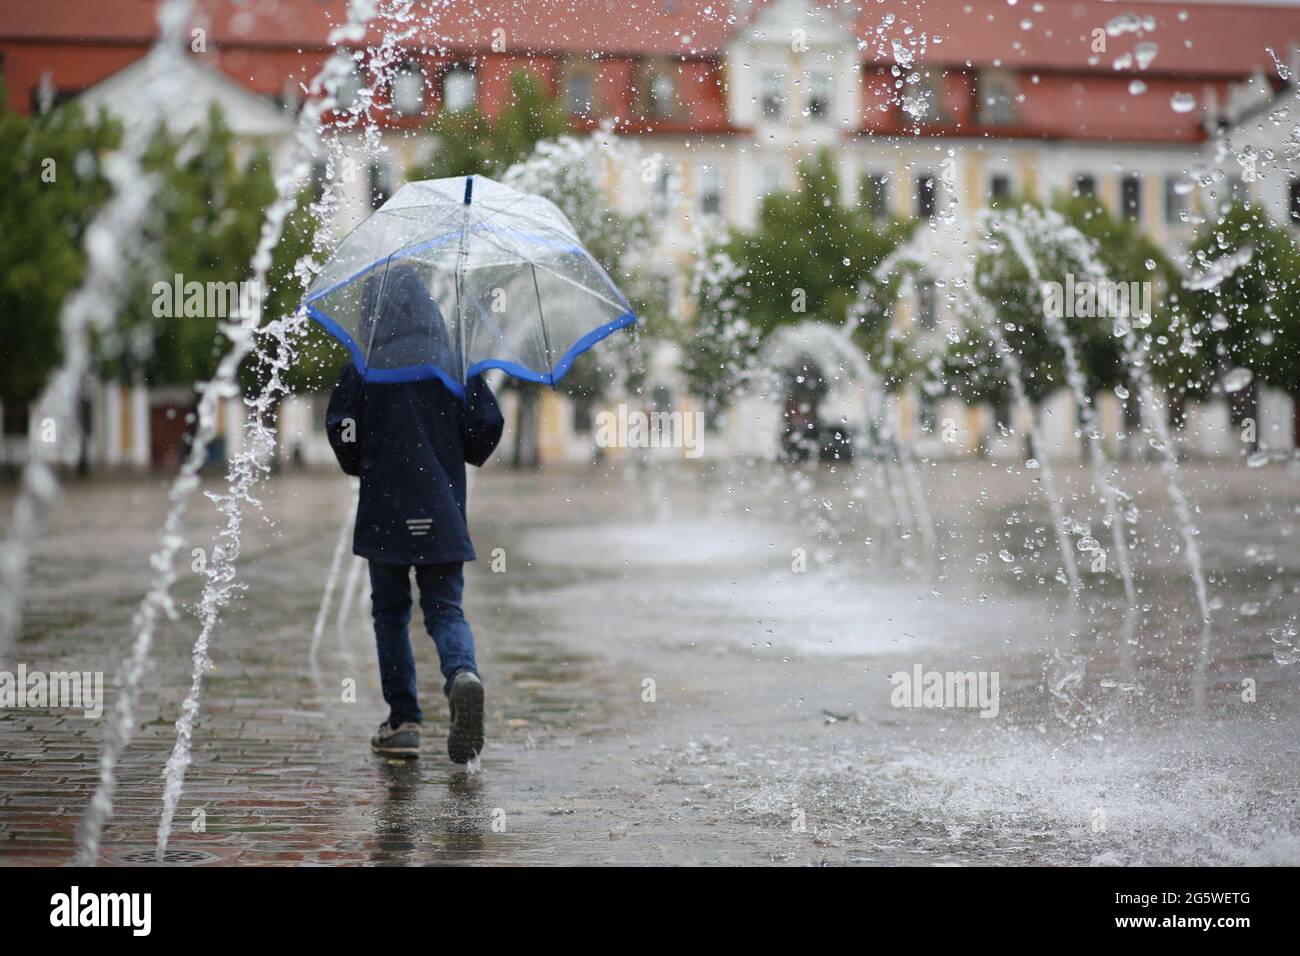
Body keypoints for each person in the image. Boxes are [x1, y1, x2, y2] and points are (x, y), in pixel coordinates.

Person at [325, 263, 504, 763]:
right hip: (442, 512)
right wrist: (459, 443)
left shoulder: (363, 364)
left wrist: (364, 460)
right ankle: (461, 674)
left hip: (384, 510)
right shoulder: (453, 361)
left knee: (390, 614)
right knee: (445, 608)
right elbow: (487, 424)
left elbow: (342, 429)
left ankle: (403, 721)